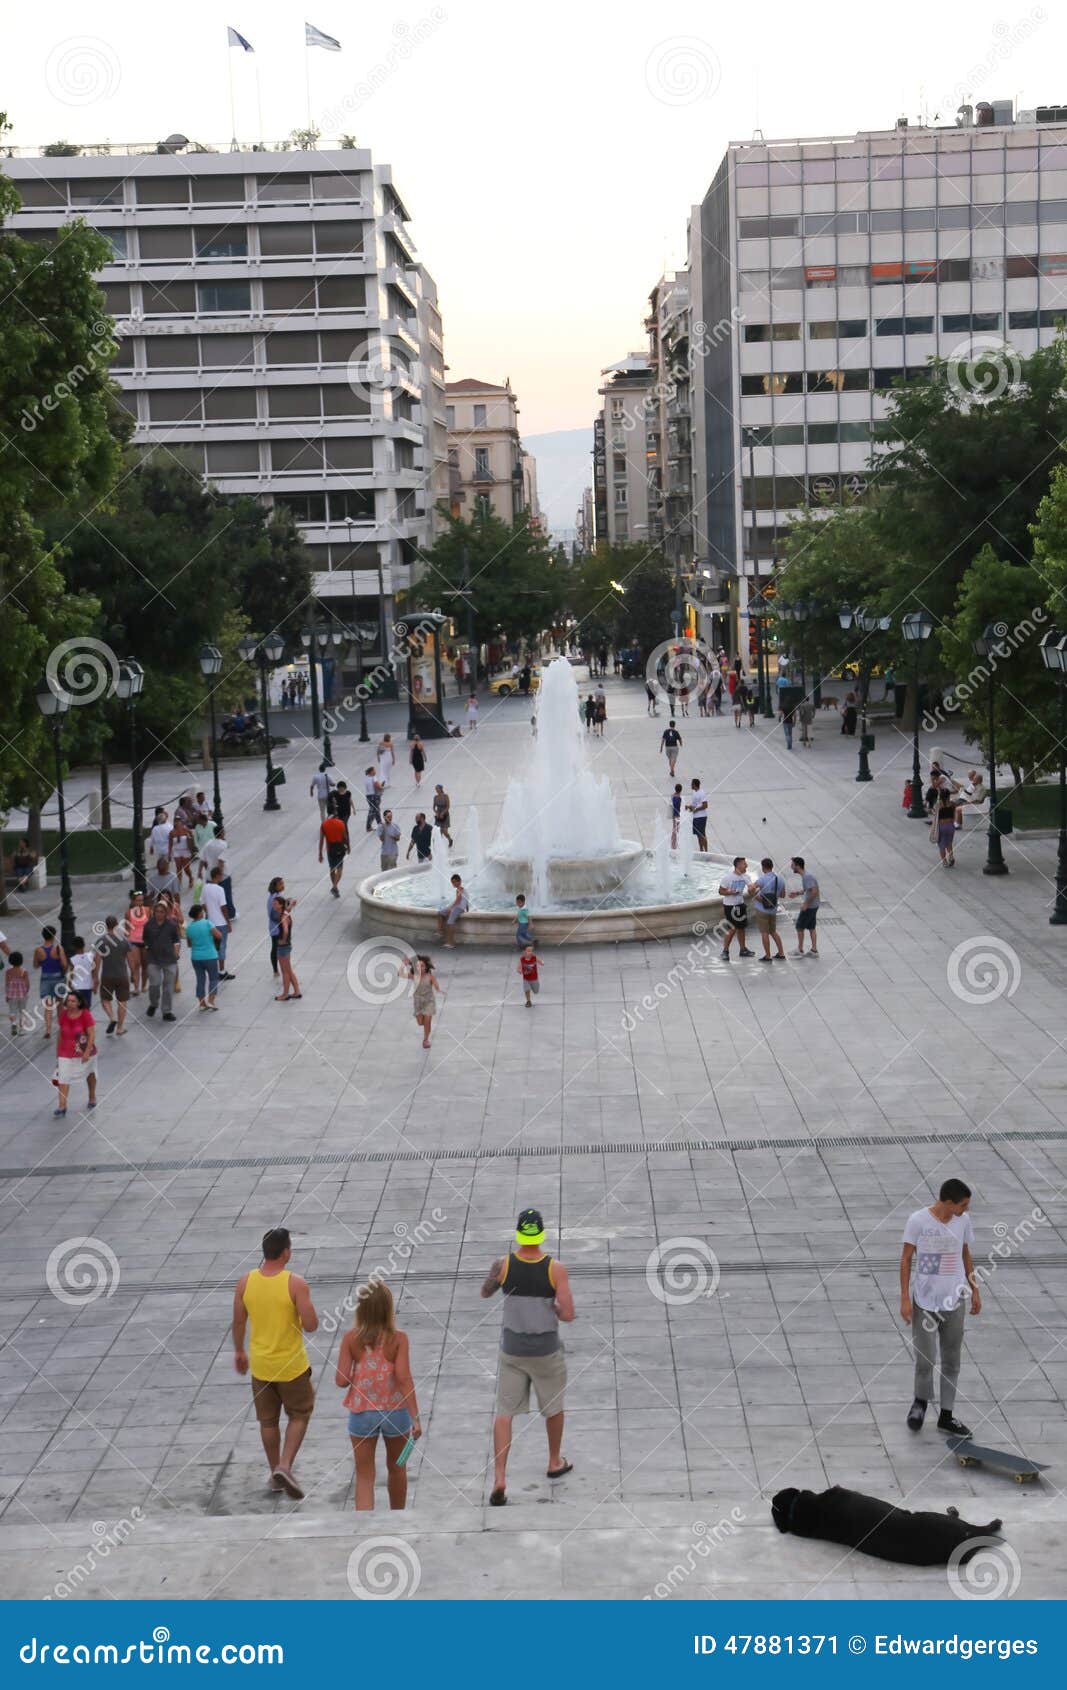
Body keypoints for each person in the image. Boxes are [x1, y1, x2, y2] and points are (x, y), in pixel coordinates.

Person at [480, 1207, 575, 1507]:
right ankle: (554, 1460)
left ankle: (499, 1477)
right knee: (554, 1407)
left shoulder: (503, 1265)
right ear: (541, 1233)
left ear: (519, 1233)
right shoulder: (555, 1269)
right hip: (545, 1351)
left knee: (504, 1412)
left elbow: (485, 1292)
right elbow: (568, 1314)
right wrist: (556, 1310)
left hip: (512, 1350)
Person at [232, 1226, 318, 1500]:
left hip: (261, 1365)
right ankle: (285, 1465)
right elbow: (312, 1325)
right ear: (286, 1253)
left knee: (268, 1422)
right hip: (291, 1365)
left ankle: (275, 1475)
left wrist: (239, 1352)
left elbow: (238, 1321)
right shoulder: (295, 1283)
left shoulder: (245, 1282)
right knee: (299, 1413)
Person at [900, 1178, 980, 1438]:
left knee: (952, 1360)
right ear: (948, 1202)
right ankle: (920, 1404)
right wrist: (904, 1297)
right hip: (925, 1303)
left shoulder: (963, 1222)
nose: (965, 1210)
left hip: (954, 1301)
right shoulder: (918, 1221)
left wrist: (975, 1289)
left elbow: (965, 1254)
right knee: (925, 1359)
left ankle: (946, 1416)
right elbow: (906, 1258)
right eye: (963, 1205)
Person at [336, 1281, 421, 1511]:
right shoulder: (399, 1339)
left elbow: (341, 1380)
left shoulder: (350, 1339)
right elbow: (403, 1378)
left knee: (364, 1475)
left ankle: (364, 1526)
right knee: (398, 1466)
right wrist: (415, 1417)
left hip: (362, 1414)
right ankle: (397, 1517)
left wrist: (360, 1372)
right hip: (397, 1413)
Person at [53, 992, 98, 1116]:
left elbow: (92, 1034)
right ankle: (62, 1106)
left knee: (90, 1073)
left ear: (79, 1002)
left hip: (83, 1051)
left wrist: (87, 1052)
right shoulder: (63, 1015)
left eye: (73, 1001)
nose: (70, 1003)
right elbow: (60, 1034)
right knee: (63, 1077)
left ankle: (92, 1096)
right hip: (65, 1052)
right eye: (68, 1001)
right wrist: (58, 1052)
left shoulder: (85, 1014)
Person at [144, 898, 181, 1020]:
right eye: (157, 911)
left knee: (168, 986)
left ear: (166, 913)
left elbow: (176, 940)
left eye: (162, 911)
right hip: (153, 959)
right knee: (155, 984)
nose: (159, 914)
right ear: (154, 912)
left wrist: (176, 952)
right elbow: (145, 940)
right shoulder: (149, 925)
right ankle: (153, 1003)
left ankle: (166, 1011)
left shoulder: (171, 925)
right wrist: (148, 949)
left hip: (169, 959)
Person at [185, 903, 222, 1012]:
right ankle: (211, 1001)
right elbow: (219, 935)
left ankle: (202, 1004)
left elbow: (189, 944)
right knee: (213, 978)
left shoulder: (189, 928)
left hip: (196, 957)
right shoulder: (207, 923)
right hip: (210, 955)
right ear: (200, 913)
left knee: (200, 979)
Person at [98, 916, 131, 1035]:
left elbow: (97, 961)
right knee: (122, 1001)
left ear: (106, 925)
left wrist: (95, 977)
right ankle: (120, 1028)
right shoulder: (124, 940)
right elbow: (129, 959)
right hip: (122, 975)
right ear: (117, 925)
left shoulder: (101, 941)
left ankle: (112, 1017)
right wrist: (133, 973)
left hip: (107, 975)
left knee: (105, 999)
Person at [201, 865, 235, 981]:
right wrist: (228, 922)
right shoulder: (220, 889)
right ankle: (221, 971)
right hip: (220, 923)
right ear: (218, 876)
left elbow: (202, 903)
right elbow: (223, 907)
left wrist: (208, 912)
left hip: (210, 922)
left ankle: (212, 971)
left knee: (212, 947)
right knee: (222, 947)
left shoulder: (205, 888)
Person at [718, 856, 755, 959]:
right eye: (744, 863)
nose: (746, 865)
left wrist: (752, 889)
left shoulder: (746, 876)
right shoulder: (728, 878)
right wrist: (730, 892)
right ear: (738, 865)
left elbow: (751, 891)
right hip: (730, 906)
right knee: (732, 928)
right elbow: (721, 891)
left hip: (740, 904)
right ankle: (725, 951)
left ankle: (743, 949)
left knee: (741, 927)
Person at [34, 926, 67, 1038]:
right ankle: (62, 1028)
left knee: (48, 1006)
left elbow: (35, 965)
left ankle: (48, 1030)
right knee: (60, 1005)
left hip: (45, 978)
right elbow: (64, 964)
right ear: (53, 935)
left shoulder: (38, 950)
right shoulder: (58, 948)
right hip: (58, 977)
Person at [402, 953, 440, 1048]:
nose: (420, 968)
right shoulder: (413, 976)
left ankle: (426, 1039)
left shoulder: (430, 976)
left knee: (427, 1020)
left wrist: (438, 989)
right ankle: (425, 1024)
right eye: (418, 966)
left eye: (422, 966)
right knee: (420, 1023)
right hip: (418, 1002)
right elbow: (400, 974)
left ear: (426, 967)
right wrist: (403, 965)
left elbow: (436, 985)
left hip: (429, 1001)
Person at [753, 857, 786, 962]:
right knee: (773, 932)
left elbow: (751, 889)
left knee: (764, 933)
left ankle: (768, 956)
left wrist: (757, 896)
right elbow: (783, 895)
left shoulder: (762, 879)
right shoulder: (780, 878)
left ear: (763, 867)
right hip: (773, 909)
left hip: (762, 910)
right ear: (772, 866)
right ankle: (781, 953)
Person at [788, 856, 820, 956]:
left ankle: (800, 949)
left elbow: (814, 892)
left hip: (810, 907)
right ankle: (814, 950)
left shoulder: (807, 877)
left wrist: (806, 904)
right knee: (811, 927)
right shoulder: (806, 876)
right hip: (814, 905)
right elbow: (808, 889)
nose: (791, 867)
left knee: (799, 926)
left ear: (797, 866)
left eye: (792, 865)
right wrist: (797, 893)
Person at [319, 809, 349, 899]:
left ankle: (335, 887)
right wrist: (348, 846)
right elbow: (345, 836)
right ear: (336, 815)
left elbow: (321, 840)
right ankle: (335, 886)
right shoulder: (341, 823)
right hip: (339, 847)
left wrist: (320, 853)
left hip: (330, 849)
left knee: (332, 868)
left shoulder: (324, 825)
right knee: (339, 868)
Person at [275, 900, 301, 1001]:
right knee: (289, 970)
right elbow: (288, 909)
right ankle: (297, 991)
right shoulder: (286, 913)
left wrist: (283, 940)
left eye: (276, 903)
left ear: (281, 905)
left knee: (285, 971)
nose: (274, 905)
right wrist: (291, 905)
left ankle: (285, 994)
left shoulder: (283, 917)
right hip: (287, 946)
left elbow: (285, 930)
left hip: (283, 947)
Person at [125, 889, 148, 994]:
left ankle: (143, 986)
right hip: (133, 941)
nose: (140, 903)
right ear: (133, 902)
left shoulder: (147, 910)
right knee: (136, 964)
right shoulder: (128, 913)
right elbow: (126, 929)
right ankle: (136, 988)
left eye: (141, 900)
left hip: (145, 941)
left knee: (145, 964)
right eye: (138, 901)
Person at [437, 873, 468, 946]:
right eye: (452, 882)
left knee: (450, 923)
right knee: (440, 913)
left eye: (454, 882)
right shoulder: (458, 890)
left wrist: (451, 908)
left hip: (459, 908)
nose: (453, 884)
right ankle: (440, 932)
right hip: (458, 907)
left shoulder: (461, 889)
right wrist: (450, 907)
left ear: (459, 881)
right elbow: (463, 900)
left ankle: (451, 943)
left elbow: (458, 900)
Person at [266, 878, 288, 978]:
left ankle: (276, 969)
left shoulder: (272, 896)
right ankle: (277, 969)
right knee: (277, 948)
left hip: (273, 927)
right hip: (278, 928)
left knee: (275, 948)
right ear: (275, 886)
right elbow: (279, 912)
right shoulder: (276, 897)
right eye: (280, 884)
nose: (283, 885)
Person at [933, 780, 957, 868]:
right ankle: (951, 856)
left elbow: (934, 814)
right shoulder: (952, 804)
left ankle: (944, 862)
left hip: (941, 827)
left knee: (942, 845)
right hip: (950, 826)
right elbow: (954, 814)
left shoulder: (938, 804)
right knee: (949, 843)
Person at [66, 936, 95, 1010]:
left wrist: (69, 985)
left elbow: (71, 974)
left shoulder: (73, 959)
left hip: (77, 987)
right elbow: (93, 971)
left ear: (73, 947)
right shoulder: (90, 956)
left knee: (78, 1008)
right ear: (84, 945)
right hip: (88, 986)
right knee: (87, 1007)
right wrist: (94, 983)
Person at [5, 951, 29, 1036]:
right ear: (21, 961)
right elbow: (27, 983)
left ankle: (14, 1024)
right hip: (22, 994)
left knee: (12, 1011)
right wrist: (26, 991)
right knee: (22, 1011)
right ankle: (22, 1029)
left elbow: (7, 983)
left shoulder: (8, 971)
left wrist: (7, 995)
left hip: (12, 995)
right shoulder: (24, 971)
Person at [168, 812, 194, 889]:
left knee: (186, 868)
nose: (177, 822)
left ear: (181, 821)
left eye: (179, 820)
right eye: (176, 820)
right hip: (176, 851)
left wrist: (189, 836)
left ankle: (190, 877)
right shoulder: (172, 832)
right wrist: (169, 854)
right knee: (178, 868)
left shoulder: (185, 829)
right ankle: (179, 883)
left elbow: (192, 838)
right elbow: (170, 844)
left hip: (185, 850)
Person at [686, 778, 709, 853]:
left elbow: (705, 805)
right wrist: (688, 807)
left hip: (701, 816)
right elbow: (694, 805)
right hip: (696, 817)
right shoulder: (694, 793)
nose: (690, 785)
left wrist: (696, 809)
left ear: (695, 785)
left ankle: (706, 851)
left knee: (702, 834)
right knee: (698, 835)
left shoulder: (702, 793)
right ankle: (701, 850)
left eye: (691, 784)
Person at [364, 767, 383, 832]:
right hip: (374, 796)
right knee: (376, 811)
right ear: (371, 771)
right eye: (374, 770)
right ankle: (380, 825)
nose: (375, 772)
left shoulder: (366, 778)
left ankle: (368, 826)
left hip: (368, 796)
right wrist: (381, 787)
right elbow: (377, 785)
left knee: (372, 811)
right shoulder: (373, 777)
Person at [670, 783, 683, 849]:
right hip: (677, 815)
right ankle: (674, 844)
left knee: (674, 828)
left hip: (673, 814)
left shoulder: (673, 796)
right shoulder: (679, 798)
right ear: (681, 790)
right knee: (676, 829)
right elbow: (679, 806)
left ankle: (673, 843)